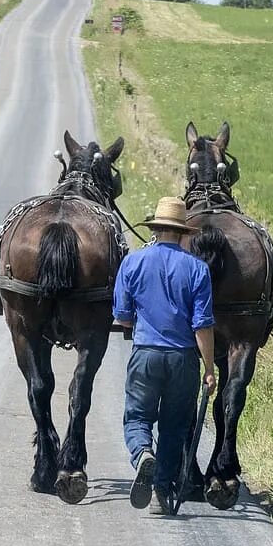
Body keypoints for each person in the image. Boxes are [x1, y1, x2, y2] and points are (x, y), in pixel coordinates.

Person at [112, 196, 218, 515]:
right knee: (174, 426)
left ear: (156, 229)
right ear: (184, 233)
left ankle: (143, 452)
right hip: (184, 359)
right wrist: (209, 369)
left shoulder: (132, 262)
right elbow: (203, 325)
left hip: (145, 354)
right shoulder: (198, 269)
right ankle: (161, 491)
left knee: (138, 416)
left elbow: (123, 316)